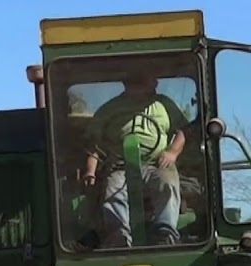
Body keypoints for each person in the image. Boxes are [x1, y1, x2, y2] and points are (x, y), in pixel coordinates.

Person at [81, 73, 189, 247]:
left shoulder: (165, 104)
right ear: (126, 83)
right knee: (112, 189)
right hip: (119, 165)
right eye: (135, 80)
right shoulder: (110, 108)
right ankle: (119, 236)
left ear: (154, 82)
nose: (140, 84)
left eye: (144, 79)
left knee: (167, 182)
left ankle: (164, 232)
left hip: (157, 163)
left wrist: (172, 153)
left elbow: (183, 131)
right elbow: (95, 144)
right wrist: (90, 171)